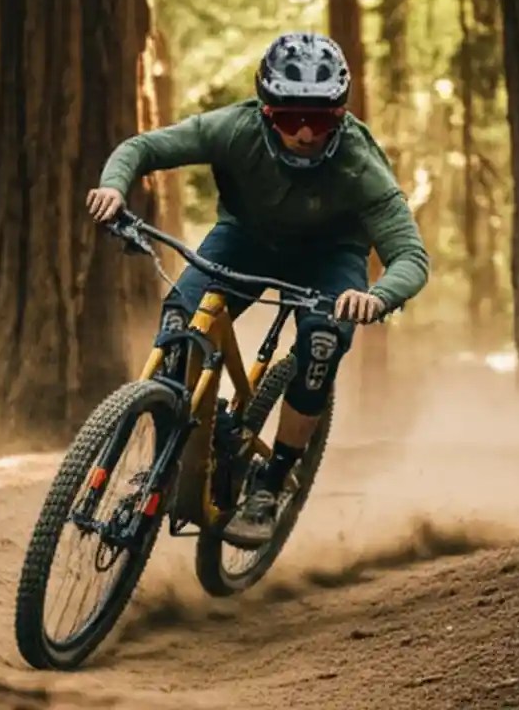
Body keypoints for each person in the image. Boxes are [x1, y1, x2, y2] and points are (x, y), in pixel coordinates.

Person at [87, 32, 430, 547]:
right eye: (292, 119)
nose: (307, 134)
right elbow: (143, 148)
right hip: (245, 240)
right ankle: (170, 449)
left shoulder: (361, 165)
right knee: (181, 316)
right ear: (267, 111)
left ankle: (270, 484)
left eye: (322, 119)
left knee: (320, 345)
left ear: (341, 114)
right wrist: (114, 187)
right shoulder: (234, 128)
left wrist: (378, 296)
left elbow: (411, 256)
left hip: (329, 259)